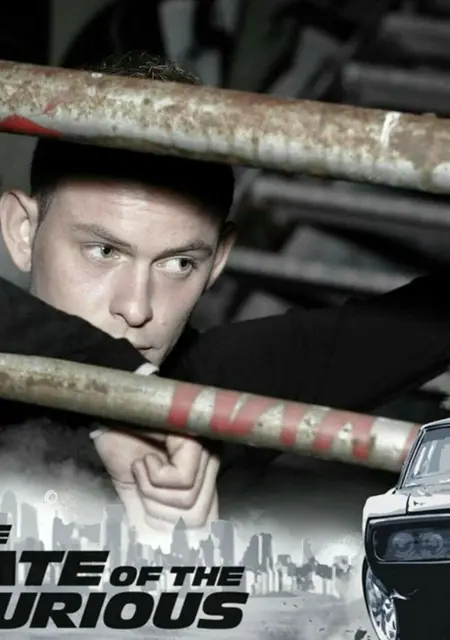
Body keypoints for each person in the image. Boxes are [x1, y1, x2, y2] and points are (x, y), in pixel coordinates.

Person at [1, 51, 450, 533]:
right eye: (104, 252)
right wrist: (114, 391)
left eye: (179, 264)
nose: (136, 307)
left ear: (217, 261)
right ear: (22, 232)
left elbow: (421, 324)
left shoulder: (216, 392)